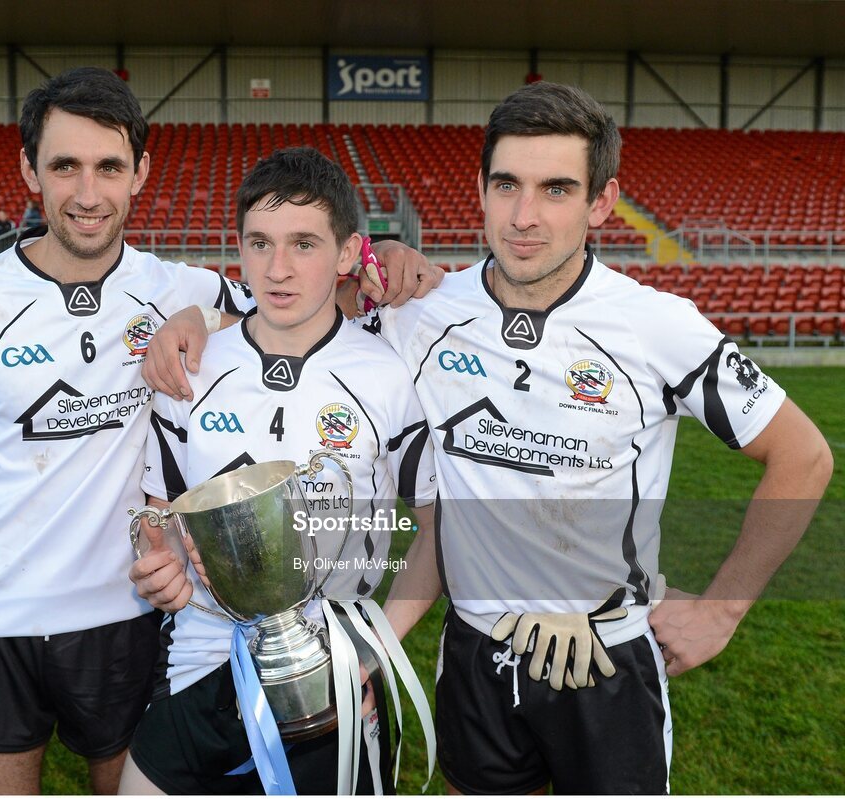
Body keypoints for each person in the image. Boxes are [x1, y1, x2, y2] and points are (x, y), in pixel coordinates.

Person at [143, 82, 833, 795]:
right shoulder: (427, 311)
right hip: (474, 648)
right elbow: (302, 314)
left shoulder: (657, 326)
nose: (525, 215)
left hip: (600, 655)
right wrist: (199, 321)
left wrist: (722, 609)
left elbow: (803, 453)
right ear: (479, 188)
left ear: (602, 201)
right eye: (507, 185)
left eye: (557, 188)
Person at [0, 66, 436, 796]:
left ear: (140, 173)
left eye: (109, 167)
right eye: (65, 166)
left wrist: (387, 258)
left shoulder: (184, 288)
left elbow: (294, 297)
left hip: (129, 618)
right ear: (30, 169)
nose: (88, 194)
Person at [120, 147, 438, 796]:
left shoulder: (387, 375)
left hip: (332, 679)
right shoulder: (192, 368)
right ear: (238, 248)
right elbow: (160, 520)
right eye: (260, 243)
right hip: (201, 659)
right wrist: (159, 567)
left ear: (350, 253)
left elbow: (441, 533)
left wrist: (370, 655)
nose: (278, 267)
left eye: (304, 243)